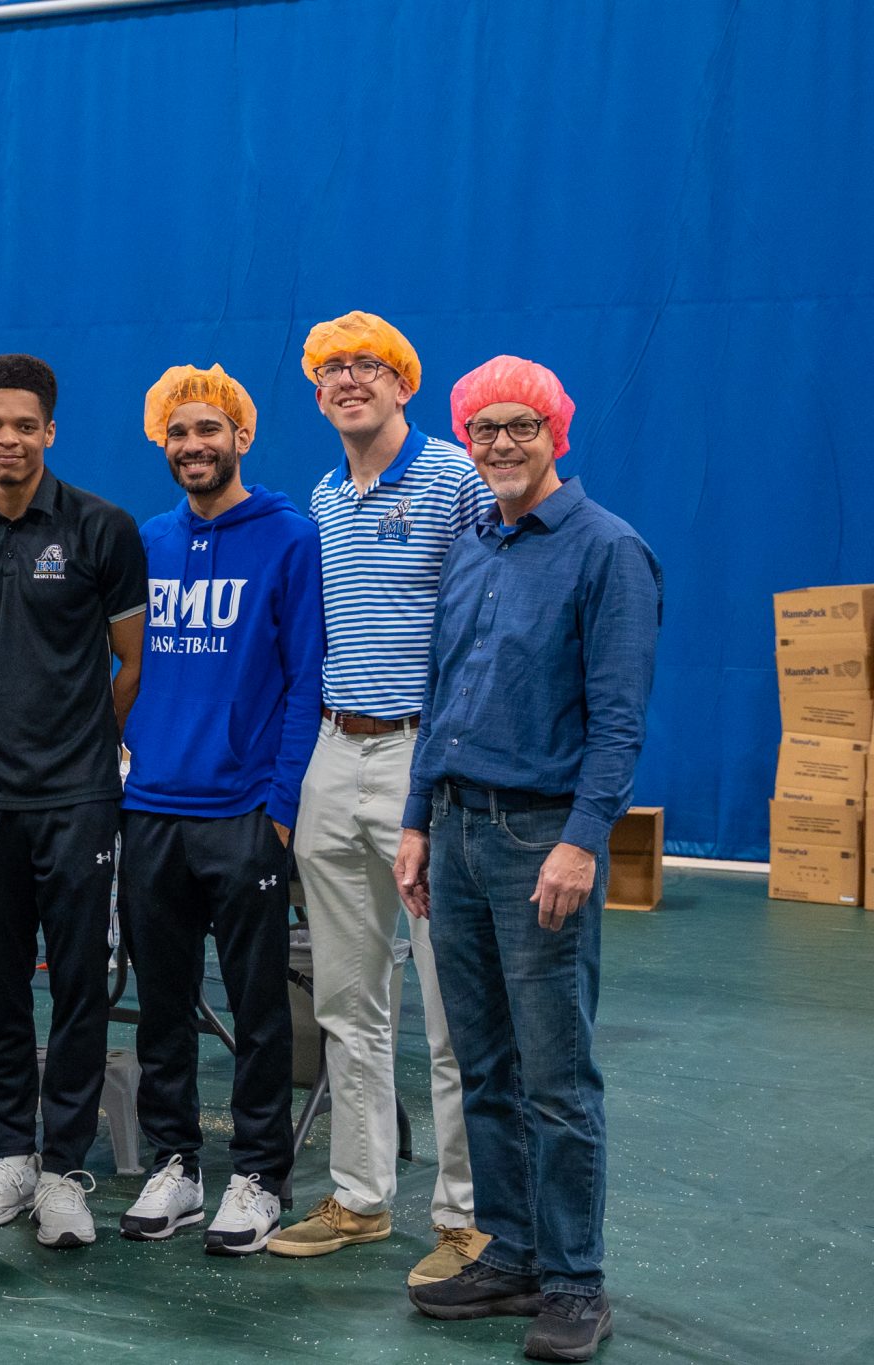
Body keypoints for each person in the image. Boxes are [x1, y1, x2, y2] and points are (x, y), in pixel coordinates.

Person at [397, 357, 660, 1363]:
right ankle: (508, 1251)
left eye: (519, 425)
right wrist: (418, 819)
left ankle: (571, 1279)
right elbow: (442, 690)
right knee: (483, 1062)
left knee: (556, 1073)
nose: (499, 443)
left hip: (537, 838)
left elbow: (618, 722)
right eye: (482, 429)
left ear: (556, 431)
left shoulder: (607, 552)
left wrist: (580, 844)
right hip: (456, 833)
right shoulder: (471, 545)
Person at [268, 312, 492, 1282]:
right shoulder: (322, 496)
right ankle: (359, 1198)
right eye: (329, 369)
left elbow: (495, 614)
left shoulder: (452, 479)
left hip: (421, 759)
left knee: (451, 1007)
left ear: (403, 382)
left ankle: (466, 1220)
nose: (347, 380)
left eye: (367, 366)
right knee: (347, 1000)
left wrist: (452, 763)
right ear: (316, 393)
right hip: (332, 749)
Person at [0, 354, 147, 1248]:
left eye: (25, 425)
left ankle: (64, 1168)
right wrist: (3, 739)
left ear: (49, 433)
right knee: (0, 981)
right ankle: (11, 1151)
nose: (7, 438)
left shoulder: (101, 529)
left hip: (81, 794)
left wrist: (80, 738)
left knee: (80, 983)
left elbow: (131, 661)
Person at [115, 365, 322, 1255]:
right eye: (178, 432)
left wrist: (278, 807)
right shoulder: (145, 541)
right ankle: (175, 1163)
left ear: (241, 436)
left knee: (256, 1005)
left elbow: (307, 675)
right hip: (150, 807)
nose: (193, 445)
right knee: (161, 1001)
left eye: (210, 430)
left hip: (245, 812)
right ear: (162, 441)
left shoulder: (288, 537)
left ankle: (259, 1171)